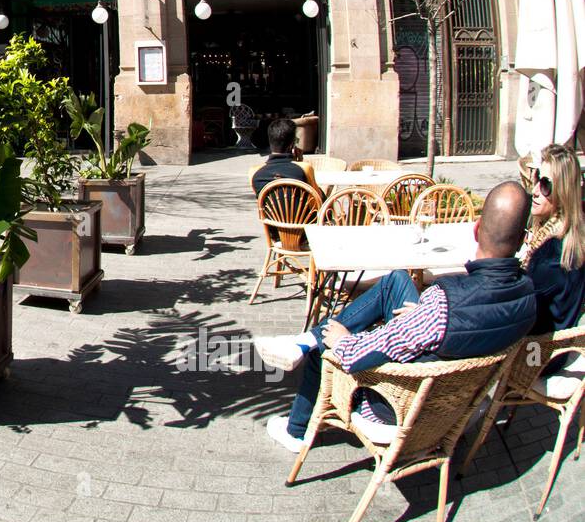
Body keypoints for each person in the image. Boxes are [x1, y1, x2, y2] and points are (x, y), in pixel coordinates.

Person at [253, 181, 539, 452]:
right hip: (458, 401)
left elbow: (357, 357)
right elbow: (466, 322)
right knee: (397, 280)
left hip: (397, 403)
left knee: (325, 346)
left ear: (475, 230)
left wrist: (344, 339)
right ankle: (304, 340)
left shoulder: (444, 301)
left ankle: (297, 430)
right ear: (523, 239)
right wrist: (423, 313)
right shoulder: (528, 297)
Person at [522, 144, 585, 336]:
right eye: (536, 179)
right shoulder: (571, 237)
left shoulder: (550, 254)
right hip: (556, 346)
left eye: (545, 185)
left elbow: (519, 305)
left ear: (563, 193)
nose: (535, 190)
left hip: (539, 354)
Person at [250, 117, 307, 196]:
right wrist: (300, 162)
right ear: (291, 146)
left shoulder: (254, 172)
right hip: (300, 209)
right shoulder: (304, 169)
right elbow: (317, 198)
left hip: (269, 209)